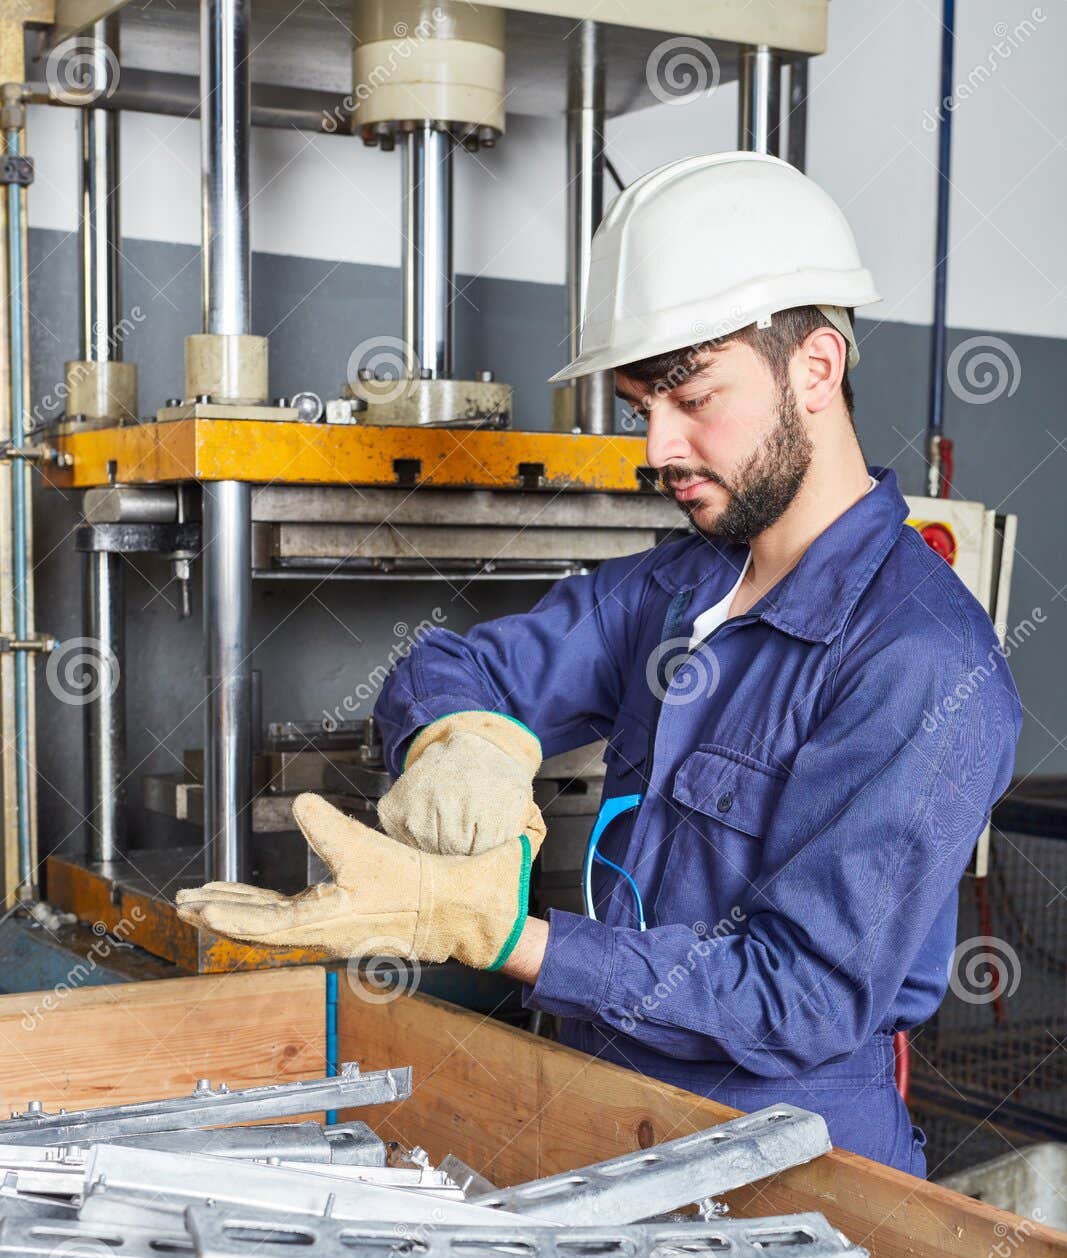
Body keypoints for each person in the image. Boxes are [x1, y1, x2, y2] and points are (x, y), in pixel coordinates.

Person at [179, 152, 1021, 1176]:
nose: (655, 448)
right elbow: (454, 665)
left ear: (815, 369)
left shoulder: (920, 662)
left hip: (785, 1162)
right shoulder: (675, 589)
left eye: (692, 397)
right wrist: (461, 740)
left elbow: (797, 995)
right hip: (599, 1113)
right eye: (638, 408)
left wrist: (501, 936)